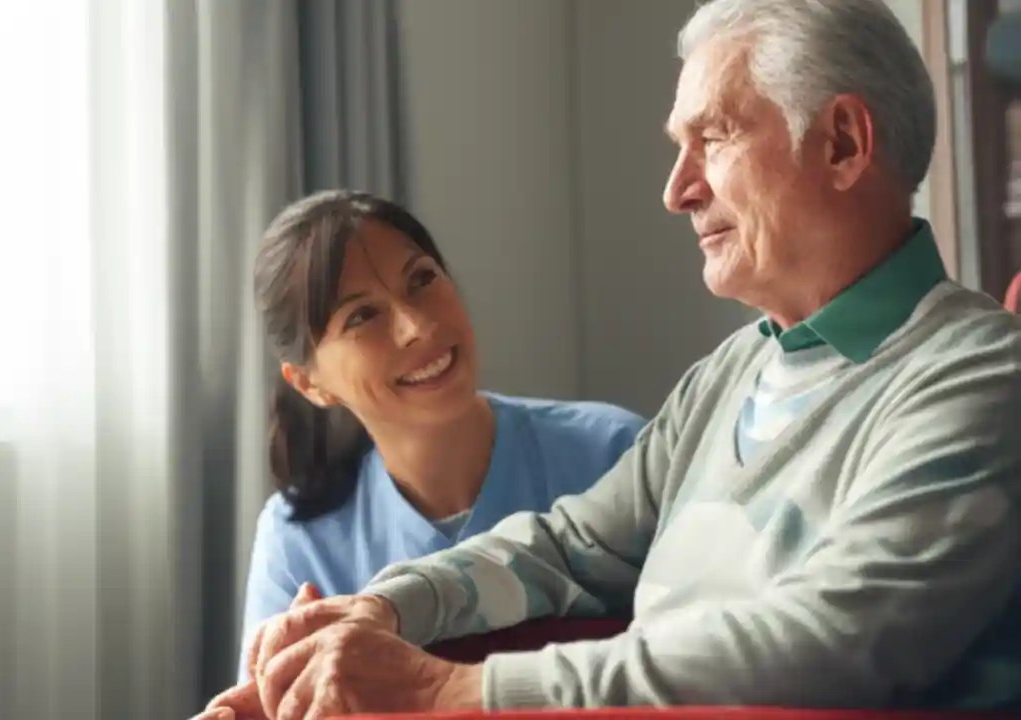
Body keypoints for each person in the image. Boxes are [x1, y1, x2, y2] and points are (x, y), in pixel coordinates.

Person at [203, 0, 1021, 716]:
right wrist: (379, 612)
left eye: (715, 136)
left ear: (841, 143)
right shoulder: (729, 373)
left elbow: (834, 640)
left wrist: (446, 691)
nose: (677, 189)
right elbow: (566, 547)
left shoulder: (975, 376)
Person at [237, 190, 645, 679]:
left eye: (422, 279)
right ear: (310, 383)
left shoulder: (616, 452)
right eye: (362, 316)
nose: (416, 326)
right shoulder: (298, 538)